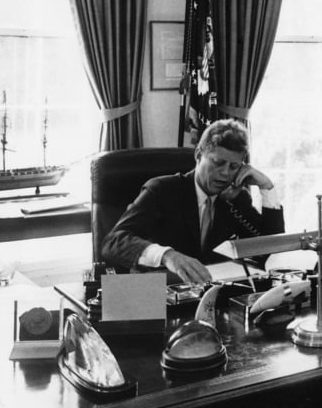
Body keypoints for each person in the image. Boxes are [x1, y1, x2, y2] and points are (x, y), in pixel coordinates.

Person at [101, 119, 286, 284]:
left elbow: (270, 249)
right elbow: (113, 242)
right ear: (198, 155)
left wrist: (267, 188)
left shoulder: (235, 198)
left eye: (234, 167)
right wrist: (167, 255)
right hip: (158, 294)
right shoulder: (162, 190)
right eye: (217, 162)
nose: (225, 173)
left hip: (211, 296)